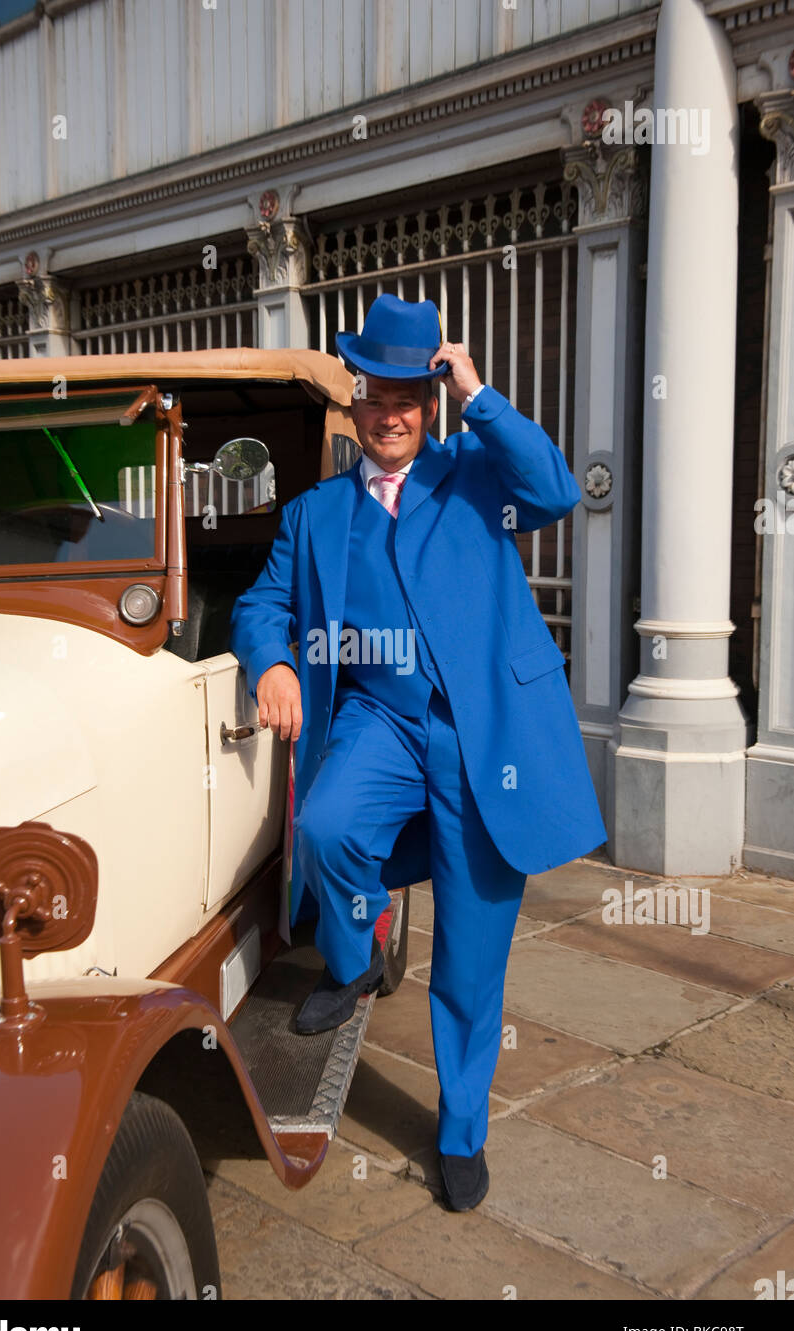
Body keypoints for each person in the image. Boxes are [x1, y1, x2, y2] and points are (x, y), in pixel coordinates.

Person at [230, 294, 606, 1211]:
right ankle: (354, 958)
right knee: (323, 828)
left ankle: (460, 1132)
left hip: (486, 740)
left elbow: (557, 489)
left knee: (472, 965)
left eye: (411, 395)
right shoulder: (316, 514)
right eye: (375, 395)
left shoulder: (477, 475)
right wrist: (273, 661)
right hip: (379, 725)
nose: (391, 413)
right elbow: (258, 604)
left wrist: (480, 393)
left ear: (429, 400)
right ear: (353, 403)